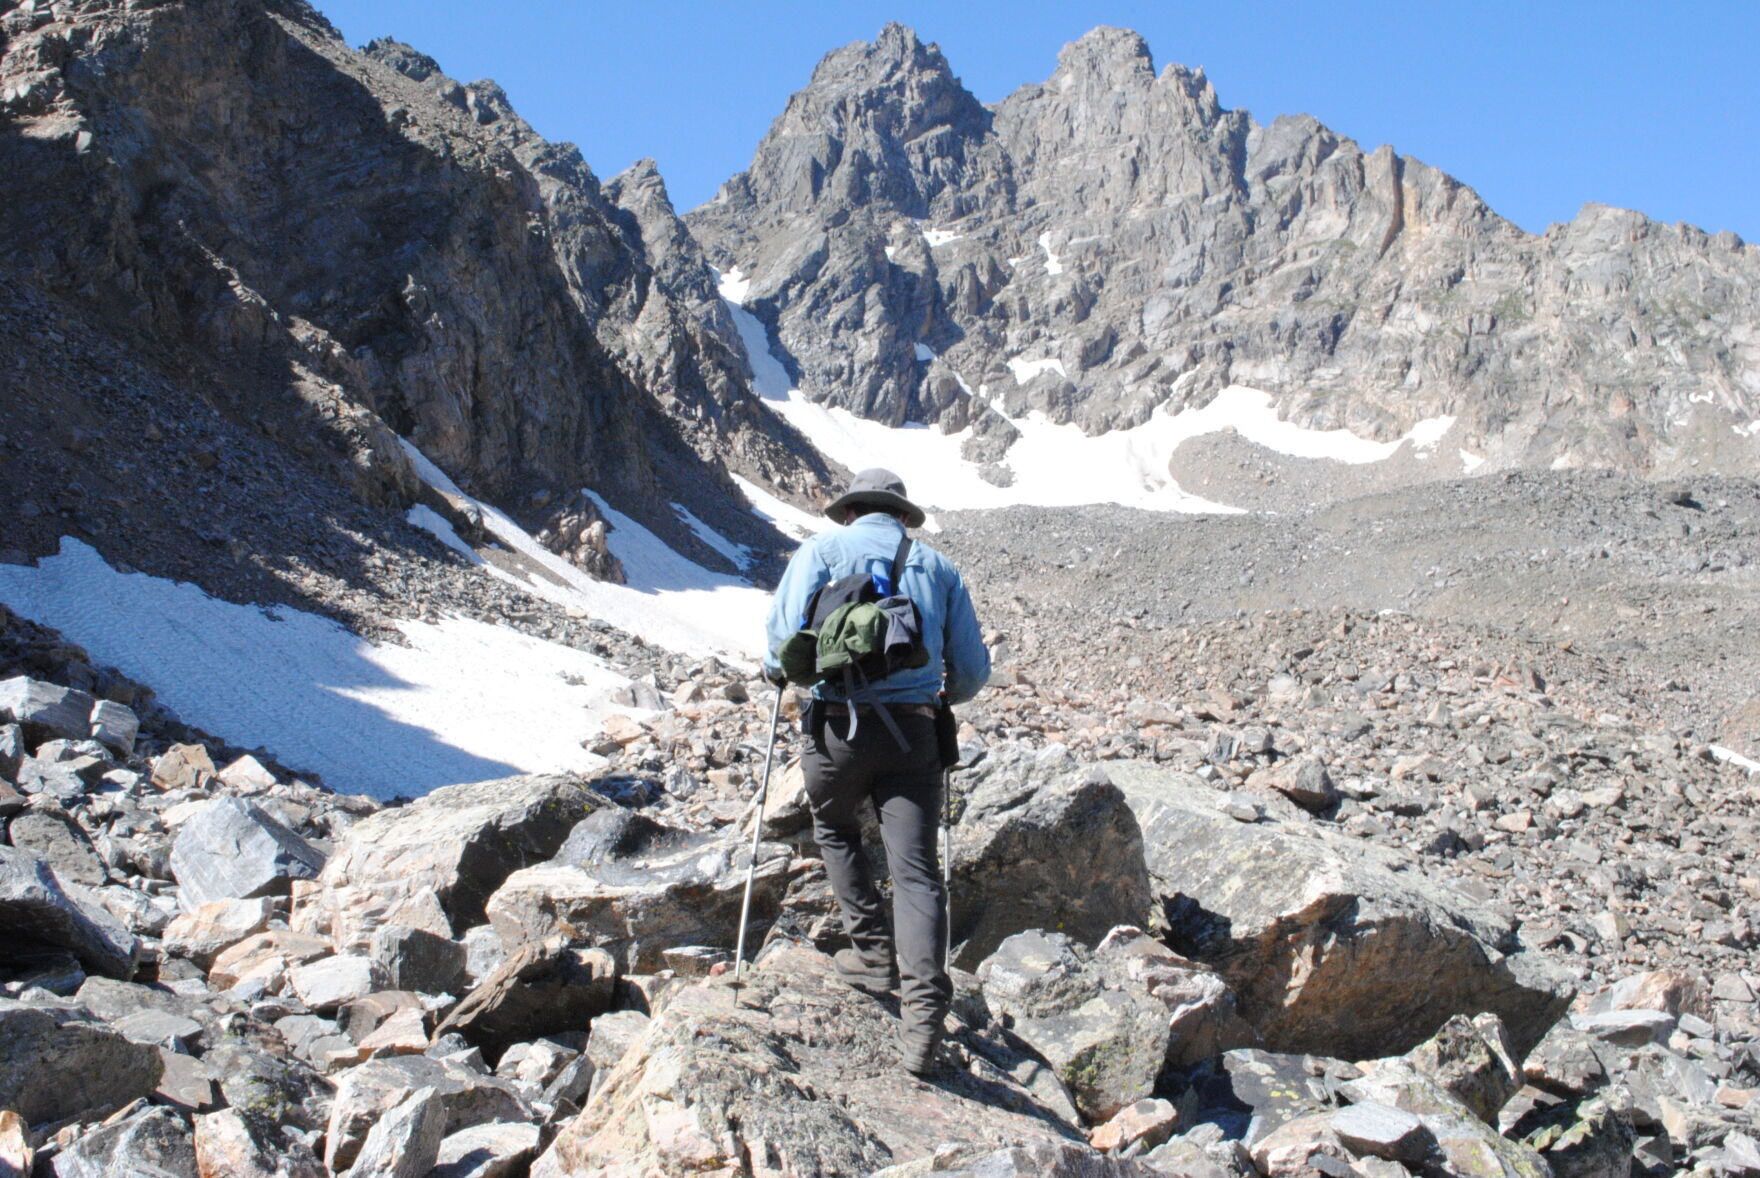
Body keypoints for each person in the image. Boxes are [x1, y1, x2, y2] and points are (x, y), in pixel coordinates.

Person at [764, 467, 990, 1075]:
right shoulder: (936, 566)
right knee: (916, 872)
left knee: (835, 826)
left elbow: (782, 645)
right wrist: (933, 693)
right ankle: (923, 1022)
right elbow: (971, 670)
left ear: (850, 512)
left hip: (836, 728)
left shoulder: (821, 550)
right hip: (915, 731)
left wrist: (780, 675)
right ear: (900, 514)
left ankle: (870, 955)